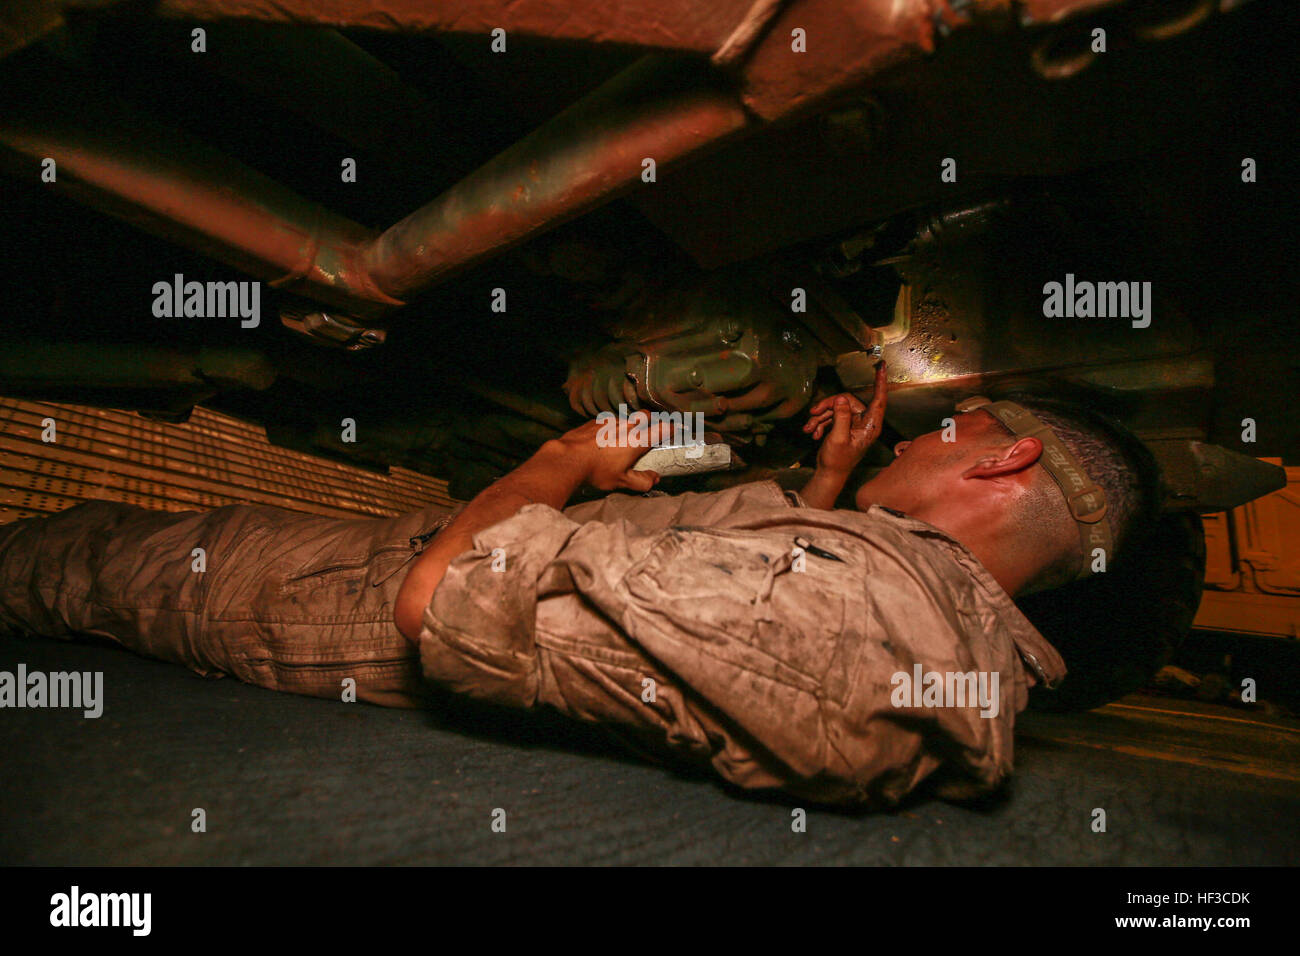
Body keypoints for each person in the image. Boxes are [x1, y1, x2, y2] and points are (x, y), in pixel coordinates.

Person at [0, 364, 1158, 806]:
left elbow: (439, 601)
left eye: (950, 426)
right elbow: (786, 578)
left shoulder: (854, 615)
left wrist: (561, 459)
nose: (921, 435)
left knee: (87, 561)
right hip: (403, 550)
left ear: (1002, 458)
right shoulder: (914, 601)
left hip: (348, 601)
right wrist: (832, 478)